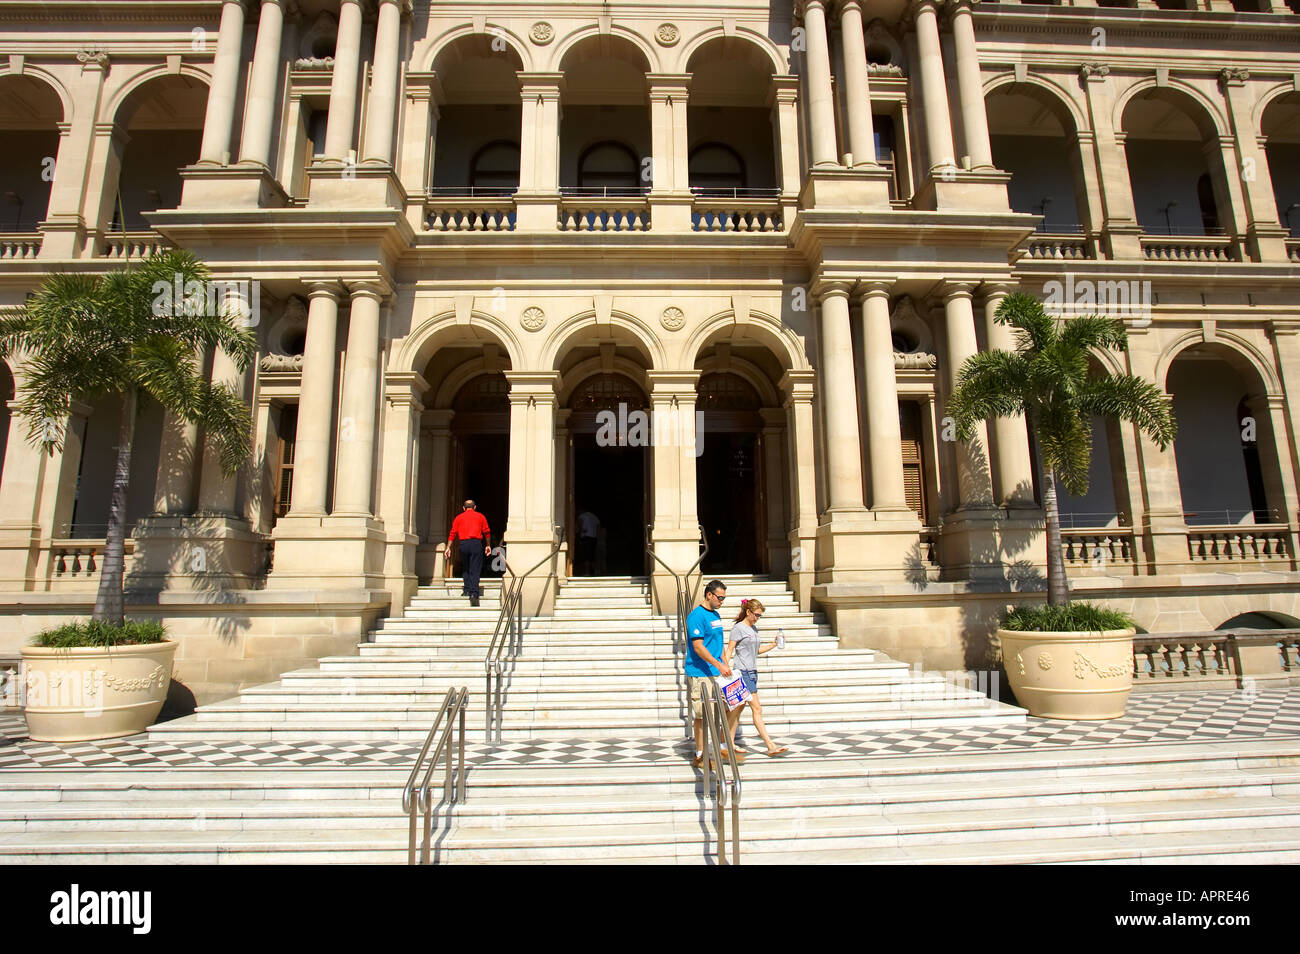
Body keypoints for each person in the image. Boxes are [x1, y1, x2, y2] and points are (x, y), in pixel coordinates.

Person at [684, 579, 744, 769]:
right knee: (703, 714)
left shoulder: (716, 615)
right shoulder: (696, 616)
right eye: (719, 597)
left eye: (724, 598)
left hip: (719, 670)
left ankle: (723, 744)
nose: (722, 601)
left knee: (736, 703)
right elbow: (698, 647)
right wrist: (718, 665)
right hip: (701, 672)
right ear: (709, 595)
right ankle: (701, 754)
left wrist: (726, 663)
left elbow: (719, 643)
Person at [723, 598, 788, 757]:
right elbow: (730, 648)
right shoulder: (739, 628)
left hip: (752, 672)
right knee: (756, 708)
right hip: (742, 672)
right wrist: (724, 667)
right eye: (756, 615)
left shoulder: (754, 629)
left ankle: (727, 743)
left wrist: (774, 644)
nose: (758, 618)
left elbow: (756, 651)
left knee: (737, 710)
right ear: (748, 612)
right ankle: (770, 744)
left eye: (760, 615)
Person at [446, 499, 492, 606]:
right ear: (475, 507)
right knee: (475, 569)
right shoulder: (480, 516)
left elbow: (453, 533)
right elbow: (486, 531)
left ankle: (466, 589)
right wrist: (488, 545)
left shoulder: (458, 518)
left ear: (463, 508)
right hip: (476, 544)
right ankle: (474, 593)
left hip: (463, 544)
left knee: (466, 567)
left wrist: (448, 547)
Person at [576, 507, 600, 575]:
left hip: (585, 537)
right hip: (593, 537)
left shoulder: (582, 516)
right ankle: (596, 571)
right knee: (592, 554)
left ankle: (587, 572)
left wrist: (579, 533)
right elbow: (598, 527)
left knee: (585, 555)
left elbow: (579, 526)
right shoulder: (594, 516)